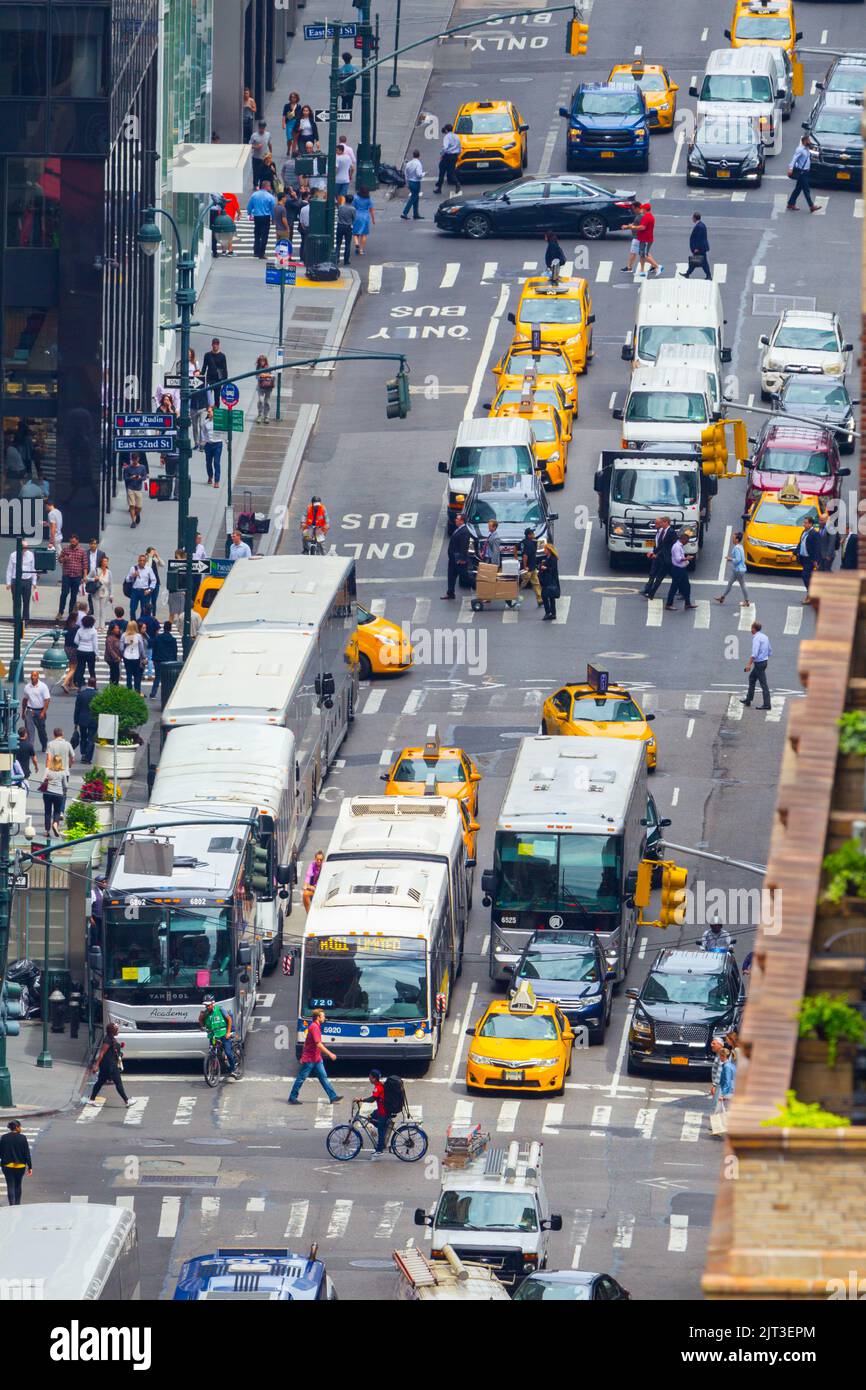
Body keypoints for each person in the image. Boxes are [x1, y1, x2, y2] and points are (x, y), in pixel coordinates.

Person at [288, 1007, 342, 1105]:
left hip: (316, 1058)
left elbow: (306, 1043)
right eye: (323, 1016)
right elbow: (318, 1044)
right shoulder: (314, 1027)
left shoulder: (315, 1026)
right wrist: (330, 1054)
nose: (324, 1017)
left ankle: (333, 1096)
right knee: (301, 1078)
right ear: (318, 1017)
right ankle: (292, 1097)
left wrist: (303, 1055)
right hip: (310, 1059)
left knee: (323, 1077)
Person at [90, 1021, 131, 1106]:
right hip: (110, 1066)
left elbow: (112, 1051)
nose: (118, 1030)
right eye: (117, 1029)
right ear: (112, 1031)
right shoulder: (107, 1039)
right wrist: (96, 1065)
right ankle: (127, 1101)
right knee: (118, 1083)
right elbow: (101, 1053)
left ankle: (92, 1099)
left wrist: (119, 1053)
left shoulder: (111, 1038)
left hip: (107, 1065)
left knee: (100, 1082)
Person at [199, 996, 237, 1075]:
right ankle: (215, 1066)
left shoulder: (220, 1009)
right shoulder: (205, 1013)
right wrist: (200, 1019)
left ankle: (233, 1069)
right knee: (212, 1051)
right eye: (206, 1005)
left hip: (223, 1034)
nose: (207, 1007)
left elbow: (229, 1019)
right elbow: (202, 1025)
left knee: (228, 1052)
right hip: (213, 1036)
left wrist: (228, 1032)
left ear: (213, 1003)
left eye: (209, 1005)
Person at [6, 538, 36, 635]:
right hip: (16, 581)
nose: (25, 549)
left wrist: (34, 582)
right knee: (16, 601)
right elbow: (9, 569)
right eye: (23, 547)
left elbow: (33, 568)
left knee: (26, 601)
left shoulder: (31, 555)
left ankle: (25, 621)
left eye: (26, 547)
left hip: (27, 580)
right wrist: (8, 582)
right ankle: (16, 620)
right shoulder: (13, 555)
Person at [642, 517, 678, 599]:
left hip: (668, 559)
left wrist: (656, 554)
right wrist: (654, 553)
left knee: (676, 577)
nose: (660, 524)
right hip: (663, 559)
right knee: (658, 577)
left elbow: (667, 547)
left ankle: (683, 593)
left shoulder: (670, 532)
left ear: (667, 522)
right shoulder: (664, 532)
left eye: (662, 523)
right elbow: (661, 545)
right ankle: (650, 593)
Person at [357, 1069, 390, 1156]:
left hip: (384, 1112)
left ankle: (380, 1150)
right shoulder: (379, 1085)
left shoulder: (378, 1087)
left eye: (370, 1077)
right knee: (370, 1117)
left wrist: (361, 1099)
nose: (369, 1078)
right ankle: (375, 1129)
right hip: (380, 1110)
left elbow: (372, 1099)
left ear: (374, 1079)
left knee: (381, 1130)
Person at [625, 202, 662, 278]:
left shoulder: (647, 217)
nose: (641, 210)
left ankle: (657, 266)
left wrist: (633, 227)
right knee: (642, 255)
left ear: (645, 209)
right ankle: (642, 271)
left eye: (642, 208)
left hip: (645, 239)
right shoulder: (648, 216)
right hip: (643, 238)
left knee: (644, 255)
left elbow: (642, 227)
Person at [0, 1120, 32, 1206]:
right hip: (20, 1166)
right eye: (20, 1127)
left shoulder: (4, 1137)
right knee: (18, 1185)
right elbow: (26, 1153)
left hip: (7, 1166)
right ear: (17, 1127)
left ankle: (11, 1205)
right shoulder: (22, 1138)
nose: (20, 1128)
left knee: (10, 1185)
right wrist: (30, 1166)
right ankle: (17, 1204)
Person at [742, 621, 772, 710]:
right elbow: (770, 650)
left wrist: (748, 665)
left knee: (763, 684)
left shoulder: (756, 638)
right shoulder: (765, 637)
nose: (751, 630)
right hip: (763, 662)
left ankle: (767, 704)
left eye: (751, 628)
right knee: (752, 678)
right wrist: (764, 658)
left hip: (759, 664)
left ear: (754, 629)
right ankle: (748, 699)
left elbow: (754, 654)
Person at [715, 530, 749, 606]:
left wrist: (730, 559)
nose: (732, 540)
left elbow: (738, 560)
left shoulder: (736, 548)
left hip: (738, 570)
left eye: (733, 538)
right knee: (730, 583)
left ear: (737, 540)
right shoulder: (740, 547)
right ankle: (722, 597)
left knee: (742, 584)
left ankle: (746, 601)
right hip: (739, 570)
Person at [57, 535, 88, 618]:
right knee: (64, 593)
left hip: (77, 576)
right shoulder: (65, 549)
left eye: (74, 542)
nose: (72, 543)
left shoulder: (82, 551)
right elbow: (59, 559)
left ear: (77, 541)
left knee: (74, 595)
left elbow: (85, 565)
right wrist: (65, 559)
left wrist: (84, 576)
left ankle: (71, 613)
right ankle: (60, 612)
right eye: (71, 542)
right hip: (66, 575)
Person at [787, 134, 819, 213]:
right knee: (806, 190)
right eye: (808, 140)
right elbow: (794, 159)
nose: (810, 142)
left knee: (798, 189)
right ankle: (811, 206)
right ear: (805, 141)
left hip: (806, 172)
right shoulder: (800, 149)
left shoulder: (807, 149)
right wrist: (790, 168)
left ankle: (791, 203)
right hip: (802, 173)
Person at [665, 530, 697, 610]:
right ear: (683, 540)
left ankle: (687, 603)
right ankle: (668, 604)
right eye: (687, 541)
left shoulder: (680, 546)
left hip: (682, 569)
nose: (687, 543)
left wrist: (686, 559)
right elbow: (678, 559)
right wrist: (687, 558)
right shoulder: (677, 547)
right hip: (677, 569)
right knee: (674, 587)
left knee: (687, 586)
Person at [442, 512, 471, 599]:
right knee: (451, 575)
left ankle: (480, 589)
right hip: (453, 558)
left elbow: (464, 546)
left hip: (459, 559)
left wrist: (462, 558)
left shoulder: (465, 531)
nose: (455, 520)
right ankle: (450, 593)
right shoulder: (458, 529)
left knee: (466, 577)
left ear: (462, 521)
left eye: (457, 519)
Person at [21, 669, 50, 751]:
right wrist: (23, 712)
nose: (32, 677)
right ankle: (30, 747)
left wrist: (43, 712)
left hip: (40, 711)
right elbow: (25, 700)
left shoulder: (43, 686)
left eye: (34, 676)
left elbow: (47, 700)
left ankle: (44, 745)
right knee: (29, 730)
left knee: (41, 731)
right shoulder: (27, 687)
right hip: (30, 710)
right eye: (32, 675)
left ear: (38, 677)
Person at [248, 181, 276, 259]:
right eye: (269, 186)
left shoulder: (254, 195)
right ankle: (261, 253)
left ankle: (256, 251)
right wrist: (273, 219)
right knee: (264, 236)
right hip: (265, 217)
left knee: (257, 234)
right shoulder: (270, 197)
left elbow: (249, 206)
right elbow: (272, 209)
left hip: (257, 217)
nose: (270, 188)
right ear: (266, 186)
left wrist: (249, 214)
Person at [150, 621, 178, 700]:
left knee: (157, 677)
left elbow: (154, 648)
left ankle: (153, 693)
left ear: (164, 627)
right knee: (167, 679)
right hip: (169, 661)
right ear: (170, 629)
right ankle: (168, 693)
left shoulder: (158, 638)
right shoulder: (173, 640)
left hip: (158, 660)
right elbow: (175, 651)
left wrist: (154, 658)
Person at [798, 514, 821, 603]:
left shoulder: (814, 533)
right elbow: (800, 543)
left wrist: (816, 560)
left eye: (805, 523)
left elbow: (817, 548)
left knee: (805, 575)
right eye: (804, 523)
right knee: (809, 577)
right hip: (803, 558)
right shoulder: (804, 532)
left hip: (810, 559)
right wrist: (794, 553)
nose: (804, 524)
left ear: (811, 524)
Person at [126, 554, 156, 622]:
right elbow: (127, 579)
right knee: (132, 608)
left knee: (144, 609)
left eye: (143, 560)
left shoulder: (149, 569)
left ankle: (142, 623)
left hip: (145, 591)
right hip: (135, 591)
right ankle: (133, 623)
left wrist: (149, 590)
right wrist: (132, 576)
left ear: (145, 561)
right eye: (140, 560)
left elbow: (154, 580)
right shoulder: (133, 568)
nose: (142, 562)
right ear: (138, 561)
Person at [74, 677, 98, 763]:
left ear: (88, 683)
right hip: (93, 720)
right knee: (91, 738)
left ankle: (83, 754)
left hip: (82, 719)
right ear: (95, 684)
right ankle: (88, 758)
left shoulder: (81, 694)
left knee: (83, 737)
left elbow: (77, 709)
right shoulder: (97, 695)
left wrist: (76, 722)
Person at [41, 753, 66, 836]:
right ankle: (55, 823)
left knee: (47, 812)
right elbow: (65, 785)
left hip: (48, 793)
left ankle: (47, 831)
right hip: (58, 794)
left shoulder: (47, 770)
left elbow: (43, 781)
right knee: (57, 811)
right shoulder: (63, 772)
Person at [434, 124, 462, 194]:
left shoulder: (447, 137)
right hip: (454, 156)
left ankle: (439, 187)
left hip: (447, 156)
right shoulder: (456, 136)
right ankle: (456, 183)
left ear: (446, 130)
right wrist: (457, 155)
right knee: (451, 172)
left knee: (442, 170)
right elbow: (459, 147)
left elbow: (445, 148)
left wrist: (442, 154)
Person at [682, 211, 711, 280]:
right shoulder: (700, 225)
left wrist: (697, 248)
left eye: (692, 218)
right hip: (700, 247)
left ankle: (709, 275)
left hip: (700, 248)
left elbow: (699, 238)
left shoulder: (700, 226)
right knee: (694, 261)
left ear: (695, 218)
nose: (692, 219)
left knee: (703, 263)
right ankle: (687, 273)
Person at [122, 454, 148, 528]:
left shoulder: (142, 467)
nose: (134, 460)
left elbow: (144, 477)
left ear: (138, 459)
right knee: (132, 505)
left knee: (139, 506)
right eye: (133, 459)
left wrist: (139, 478)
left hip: (138, 489)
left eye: (136, 459)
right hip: (130, 488)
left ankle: (137, 514)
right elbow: (126, 478)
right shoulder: (128, 468)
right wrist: (131, 477)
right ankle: (133, 521)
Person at [73, 614, 99, 687]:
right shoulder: (93, 631)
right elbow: (95, 644)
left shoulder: (80, 630)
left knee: (80, 668)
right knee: (91, 669)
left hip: (80, 651)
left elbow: (75, 641)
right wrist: (97, 654)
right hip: (90, 652)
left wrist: (81, 644)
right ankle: (94, 685)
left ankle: (79, 685)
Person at [121, 620, 146, 692]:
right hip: (136, 657)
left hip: (127, 657)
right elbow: (141, 648)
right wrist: (144, 657)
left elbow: (121, 648)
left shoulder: (124, 635)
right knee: (137, 675)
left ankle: (129, 690)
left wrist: (123, 654)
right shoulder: (138, 636)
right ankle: (137, 690)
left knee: (128, 674)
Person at [620, 197, 643, 274]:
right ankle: (654, 265)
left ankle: (629, 267)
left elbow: (638, 226)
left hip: (638, 237)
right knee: (645, 254)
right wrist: (628, 226)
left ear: (637, 208)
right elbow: (635, 225)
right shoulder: (640, 215)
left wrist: (628, 226)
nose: (633, 211)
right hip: (639, 237)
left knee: (633, 252)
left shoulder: (640, 216)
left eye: (634, 209)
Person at [520, 526, 542, 605]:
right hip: (528, 569)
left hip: (532, 568)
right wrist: (525, 566)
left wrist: (516, 556)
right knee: (522, 584)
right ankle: (512, 595)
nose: (534, 534)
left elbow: (515, 547)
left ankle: (540, 599)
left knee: (536, 583)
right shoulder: (529, 544)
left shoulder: (523, 542)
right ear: (529, 535)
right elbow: (525, 556)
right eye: (532, 533)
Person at [202, 338, 228, 405]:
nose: (215, 345)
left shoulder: (222, 356)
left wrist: (225, 381)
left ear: (219, 345)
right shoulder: (207, 355)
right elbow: (204, 367)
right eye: (214, 344)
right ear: (212, 344)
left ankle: (216, 413)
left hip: (218, 380)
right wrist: (200, 376)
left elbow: (224, 369)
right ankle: (209, 413)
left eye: (217, 344)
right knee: (207, 397)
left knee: (217, 398)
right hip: (209, 379)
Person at [200, 407, 222, 486]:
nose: (208, 413)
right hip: (208, 445)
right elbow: (203, 433)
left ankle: (217, 481)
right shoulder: (205, 423)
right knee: (208, 462)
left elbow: (224, 432)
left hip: (217, 444)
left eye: (209, 412)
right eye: (208, 412)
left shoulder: (219, 422)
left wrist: (227, 441)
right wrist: (203, 442)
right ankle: (210, 476)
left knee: (216, 462)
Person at [539, 541, 560, 621]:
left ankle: (549, 613)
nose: (544, 550)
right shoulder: (547, 557)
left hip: (550, 580)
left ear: (549, 550)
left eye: (545, 549)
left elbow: (553, 569)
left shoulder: (553, 558)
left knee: (545, 596)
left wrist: (545, 568)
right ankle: (552, 613)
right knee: (550, 597)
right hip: (547, 580)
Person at [401, 150, 425, 221]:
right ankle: (404, 213)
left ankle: (416, 214)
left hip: (410, 182)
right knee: (413, 197)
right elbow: (419, 174)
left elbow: (406, 173)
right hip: (416, 183)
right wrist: (424, 174)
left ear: (413, 155)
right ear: (419, 155)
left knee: (416, 197)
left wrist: (407, 182)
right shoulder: (418, 164)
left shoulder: (409, 163)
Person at [249, 118, 272, 188]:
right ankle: (255, 184)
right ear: (258, 127)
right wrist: (256, 147)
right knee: (255, 172)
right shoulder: (254, 135)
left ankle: (262, 185)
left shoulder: (268, 134)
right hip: (256, 157)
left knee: (264, 172)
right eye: (260, 128)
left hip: (265, 157)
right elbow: (249, 145)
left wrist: (270, 153)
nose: (261, 129)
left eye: (263, 128)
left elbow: (269, 144)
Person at [352, 186, 375, 256]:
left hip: (357, 215)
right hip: (365, 216)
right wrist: (373, 219)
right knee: (364, 234)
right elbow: (371, 210)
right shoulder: (368, 199)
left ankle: (356, 243)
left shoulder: (355, 197)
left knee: (355, 232)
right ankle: (361, 250)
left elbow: (353, 207)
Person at [255, 354, 275, 424]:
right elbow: (256, 377)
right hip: (260, 387)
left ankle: (266, 416)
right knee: (260, 400)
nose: (262, 362)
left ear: (265, 361)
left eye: (263, 361)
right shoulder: (258, 368)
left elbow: (273, 375)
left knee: (267, 402)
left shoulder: (269, 367)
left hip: (268, 387)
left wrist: (267, 376)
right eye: (261, 361)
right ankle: (260, 415)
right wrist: (260, 376)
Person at [336, 193, 355, 264]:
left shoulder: (341, 207)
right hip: (348, 227)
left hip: (340, 225)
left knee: (338, 243)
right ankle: (346, 260)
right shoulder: (352, 209)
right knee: (347, 244)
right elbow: (354, 218)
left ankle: (336, 259)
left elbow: (338, 214)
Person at [104, 620, 122, 686]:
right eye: (116, 628)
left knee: (115, 673)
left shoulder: (118, 637)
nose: (118, 630)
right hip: (111, 659)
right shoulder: (109, 638)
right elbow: (110, 649)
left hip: (116, 659)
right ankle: (113, 687)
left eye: (118, 628)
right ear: (112, 630)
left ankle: (113, 687)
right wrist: (116, 657)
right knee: (115, 673)